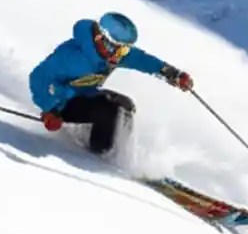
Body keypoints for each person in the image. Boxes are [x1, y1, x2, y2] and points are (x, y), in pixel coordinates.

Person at [28, 11, 194, 156]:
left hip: (84, 96)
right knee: (107, 111)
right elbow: (38, 77)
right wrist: (50, 110)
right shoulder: (72, 57)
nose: (120, 55)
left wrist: (173, 74)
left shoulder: (113, 55)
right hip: (61, 104)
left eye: (124, 50)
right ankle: (100, 155)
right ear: (100, 39)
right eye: (117, 49)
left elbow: (143, 60)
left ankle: (119, 152)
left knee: (125, 106)